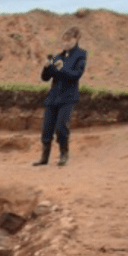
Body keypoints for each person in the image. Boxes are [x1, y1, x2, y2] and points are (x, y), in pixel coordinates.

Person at [33, 26, 87, 166]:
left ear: (76, 39)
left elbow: (76, 75)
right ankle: (44, 157)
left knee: (62, 127)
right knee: (47, 128)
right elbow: (45, 78)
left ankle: (64, 154)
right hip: (53, 97)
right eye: (64, 40)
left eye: (69, 40)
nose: (66, 43)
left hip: (68, 97)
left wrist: (61, 68)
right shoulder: (58, 57)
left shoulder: (81, 55)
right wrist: (46, 67)